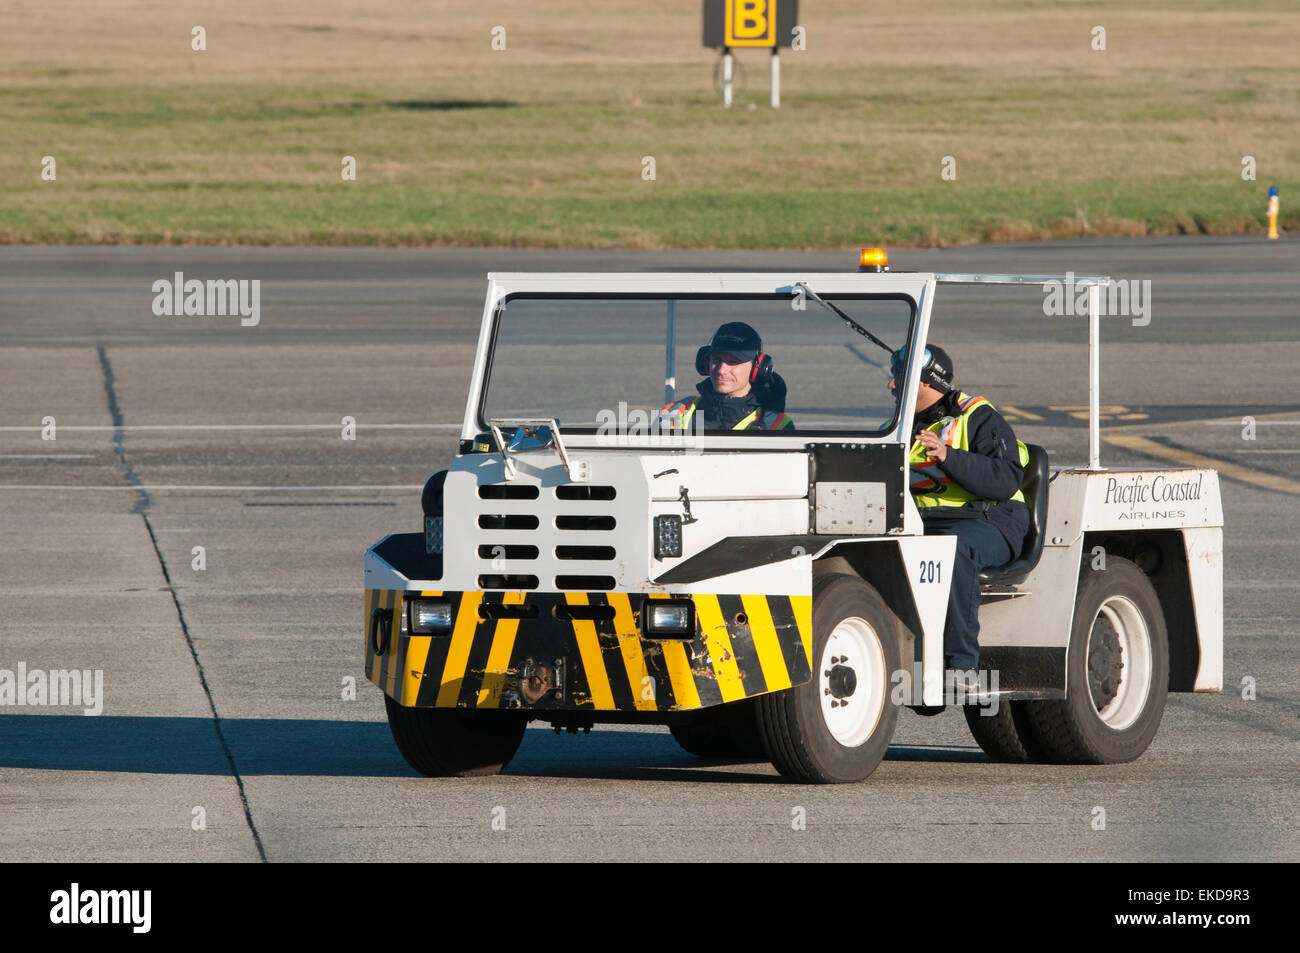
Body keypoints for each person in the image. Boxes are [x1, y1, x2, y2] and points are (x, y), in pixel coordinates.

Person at [888, 344, 1029, 682]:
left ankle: (960, 666)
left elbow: (1005, 479)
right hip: (924, 521)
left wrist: (949, 457)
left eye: (898, 378)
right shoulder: (896, 425)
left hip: (989, 519)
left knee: (952, 551)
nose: (891, 386)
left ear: (925, 383)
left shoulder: (978, 416)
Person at [662, 321, 794, 431]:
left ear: (757, 368)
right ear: (705, 363)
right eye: (716, 360)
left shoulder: (777, 426)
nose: (721, 370)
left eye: (733, 362)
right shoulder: (676, 413)